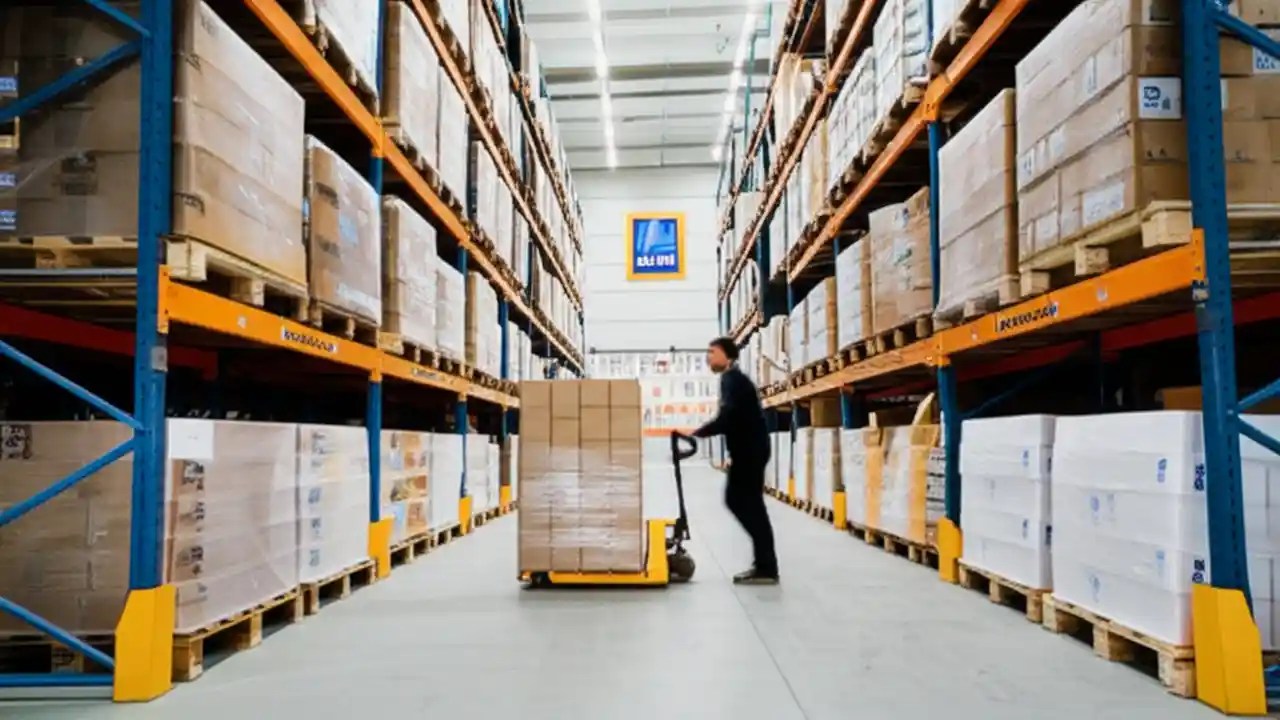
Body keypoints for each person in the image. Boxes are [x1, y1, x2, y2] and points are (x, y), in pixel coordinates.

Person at [685, 336, 779, 585]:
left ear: (728, 356)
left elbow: (728, 418)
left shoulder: (732, 380)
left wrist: (697, 433)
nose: (708, 357)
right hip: (750, 451)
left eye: (712, 352)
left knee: (741, 501)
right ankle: (765, 564)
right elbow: (733, 418)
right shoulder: (733, 379)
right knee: (748, 504)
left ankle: (766, 566)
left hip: (750, 452)